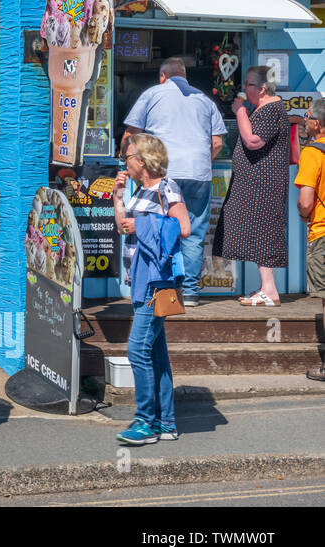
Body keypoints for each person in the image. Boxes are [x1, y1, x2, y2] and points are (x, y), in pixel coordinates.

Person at [121, 56, 226, 306]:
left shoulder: (153, 93)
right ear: (185, 76)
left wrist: (125, 157)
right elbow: (218, 142)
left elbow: (131, 134)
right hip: (198, 173)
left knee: (157, 228)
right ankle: (189, 293)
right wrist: (199, 160)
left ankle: (158, 286)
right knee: (193, 232)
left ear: (162, 76)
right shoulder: (204, 99)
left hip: (162, 172)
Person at [113, 132, 191, 445]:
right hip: (140, 280)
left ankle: (145, 422)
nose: (125, 163)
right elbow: (122, 227)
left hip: (155, 282)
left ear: (143, 160)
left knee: (137, 350)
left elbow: (183, 227)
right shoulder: (139, 190)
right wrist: (119, 198)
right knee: (156, 353)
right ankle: (166, 423)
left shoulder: (166, 187)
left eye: (128, 157)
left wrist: (142, 224)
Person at [215, 66, 290, 306]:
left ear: (262, 89)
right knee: (257, 231)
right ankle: (267, 288)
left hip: (264, 183)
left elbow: (253, 141)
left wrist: (239, 112)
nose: (244, 88)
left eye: (248, 84)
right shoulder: (264, 108)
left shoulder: (271, 109)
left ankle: (270, 291)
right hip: (256, 183)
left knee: (264, 231)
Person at [294, 99, 325, 381]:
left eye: (306, 116)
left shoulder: (313, 153)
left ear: (317, 123)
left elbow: (305, 201)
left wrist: (304, 215)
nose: (304, 120)